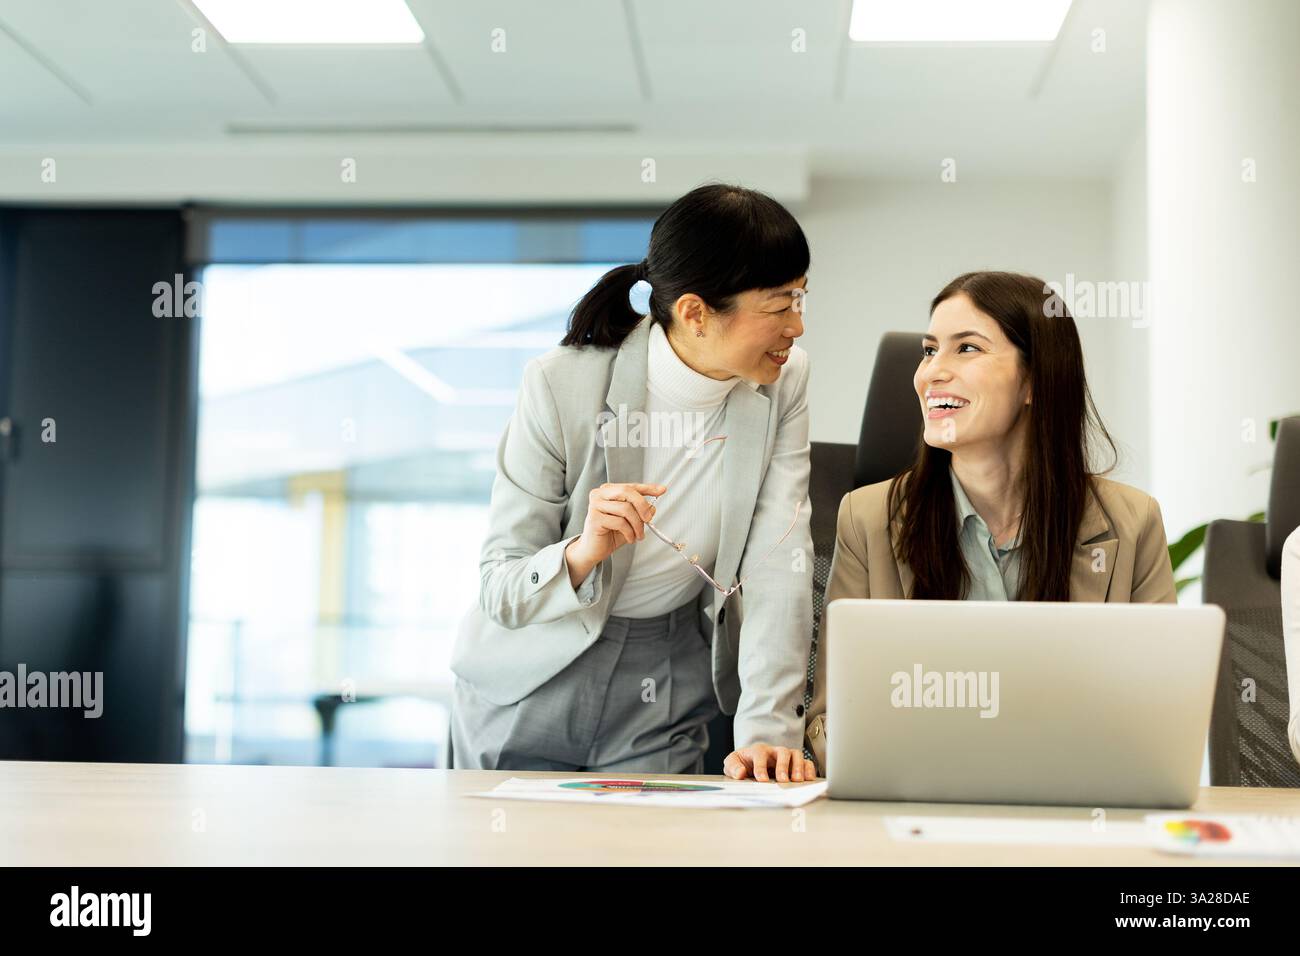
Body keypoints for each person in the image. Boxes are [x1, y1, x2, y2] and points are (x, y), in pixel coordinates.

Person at [453, 183, 817, 782]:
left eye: (802, 299)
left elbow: (781, 557)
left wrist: (767, 730)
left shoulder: (784, 381)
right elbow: (503, 585)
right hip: (532, 672)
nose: (797, 326)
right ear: (696, 313)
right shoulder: (560, 383)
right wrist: (583, 549)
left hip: (665, 677)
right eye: (779, 307)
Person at [804, 270, 1177, 773]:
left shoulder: (1132, 523)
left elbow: (1160, 720)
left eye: (968, 349)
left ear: (1035, 380)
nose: (931, 372)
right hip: (920, 808)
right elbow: (831, 723)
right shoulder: (867, 518)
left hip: (1070, 811)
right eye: (929, 349)